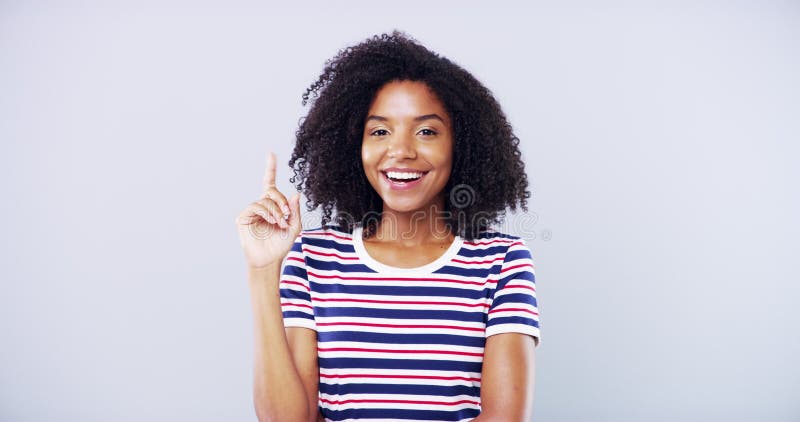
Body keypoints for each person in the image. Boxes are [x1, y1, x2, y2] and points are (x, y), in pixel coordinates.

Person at [235, 30, 540, 422]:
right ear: (353, 145)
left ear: (460, 144)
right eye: (379, 131)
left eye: (426, 131)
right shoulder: (313, 259)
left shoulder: (502, 263)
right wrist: (262, 271)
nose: (400, 151)